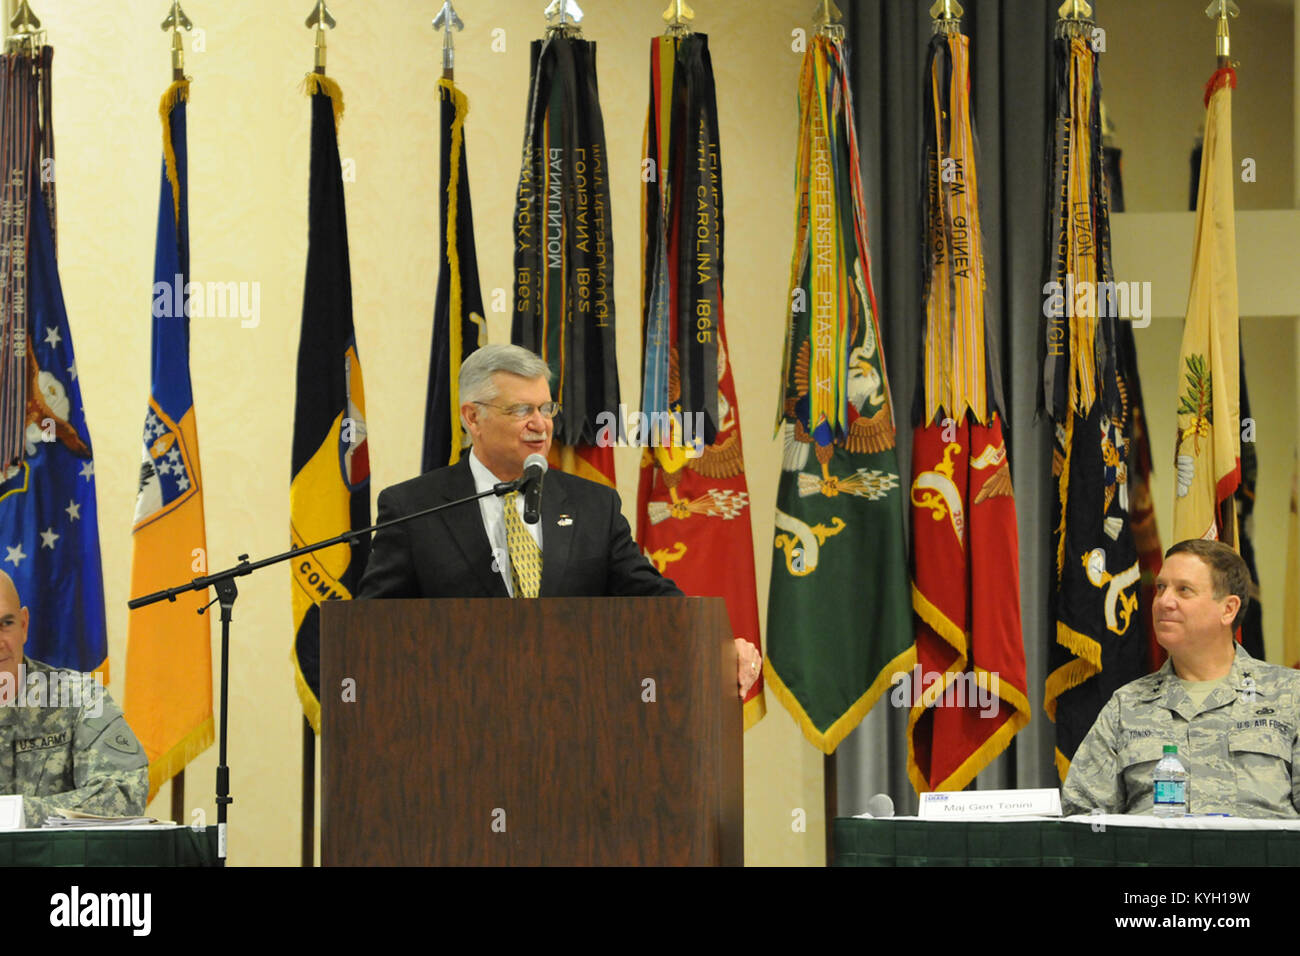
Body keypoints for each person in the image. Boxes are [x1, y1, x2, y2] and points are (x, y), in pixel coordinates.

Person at [358, 344, 762, 697]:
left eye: (545, 408)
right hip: (455, 728)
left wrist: (718, 643)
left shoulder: (593, 505)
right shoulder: (414, 508)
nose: (540, 424)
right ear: (473, 418)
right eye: (521, 410)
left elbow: (649, 597)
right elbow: (373, 629)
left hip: (575, 724)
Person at [1061, 539, 1300, 817]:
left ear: (1228, 609)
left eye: (1184, 590)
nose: (1164, 601)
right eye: (1161, 588)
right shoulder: (1127, 705)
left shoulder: (1289, 695)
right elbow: (1083, 818)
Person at [0, 571, 149, 827]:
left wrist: (16, 813)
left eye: (6, 623)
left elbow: (125, 793)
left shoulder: (80, 699)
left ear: (24, 625)